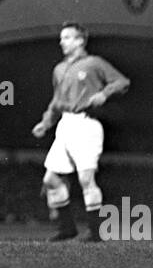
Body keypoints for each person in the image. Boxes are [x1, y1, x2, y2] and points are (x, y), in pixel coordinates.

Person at [31, 21, 130, 242]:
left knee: (86, 178)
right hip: (65, 125)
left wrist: (105, 93)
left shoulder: (94, 63)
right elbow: (57, 101)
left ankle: (96, 232)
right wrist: (46, 122)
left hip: (86, 124)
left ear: (80, 41)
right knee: (51, 179)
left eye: (67, 37)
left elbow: (122, 81)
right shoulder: (59, 69)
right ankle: (67, 229)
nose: (62, 41)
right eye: (61, 37)